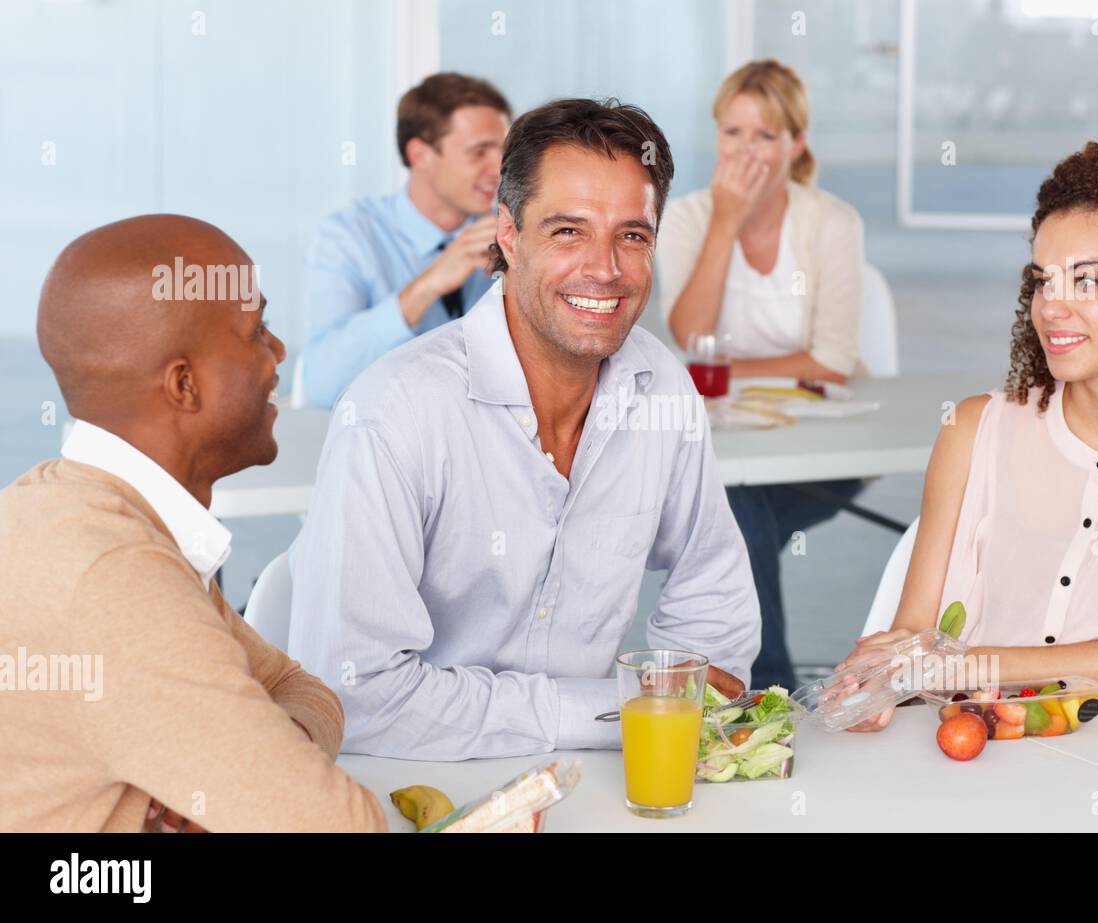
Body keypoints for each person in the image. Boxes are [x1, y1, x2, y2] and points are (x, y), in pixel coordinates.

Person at [288, 98, 761, 761]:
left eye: (632, 235)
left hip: (597, 783)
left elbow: (712, 585)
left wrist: (694, 692)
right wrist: (620, 708)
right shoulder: (396, 411)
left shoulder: (662, 388)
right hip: (408, 783)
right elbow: (356, 693)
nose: (605, 268)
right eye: (568, 231)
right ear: (507, 236)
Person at [839, 141, 1098, 732]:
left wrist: (961, 668)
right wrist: (878, 679)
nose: (1051, 306)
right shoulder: (972, 429)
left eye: (1086, 280)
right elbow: (916, 629)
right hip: (970, 755)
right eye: (1043, 280)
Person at [0, 215, 386, 831]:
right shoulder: (114, 578)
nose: (280, 351)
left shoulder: (74, 505)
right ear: (184, 385)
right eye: (256, 330)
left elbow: (299, 687)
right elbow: (341, 825)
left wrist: (256, 760)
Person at [656, 59, 868, 691]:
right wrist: (726, 221)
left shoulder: (832, 223)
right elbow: (690, 337)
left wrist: (724, 371)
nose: (746, 151)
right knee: (741, 512)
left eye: (765, 136)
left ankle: (752, 690)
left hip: (821, 444)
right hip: (726, 443)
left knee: (735, 519)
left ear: (796, 143)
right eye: (732, 133)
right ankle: (767, 695)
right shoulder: (689, 219)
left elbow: (830, 360)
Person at [300, 73, 512, 407]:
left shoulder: (509, 233)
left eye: (503, 150)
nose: (498, 168)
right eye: (479, 152)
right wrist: (428, 285)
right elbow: (323, 386)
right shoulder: (349, 237)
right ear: (420, 155)